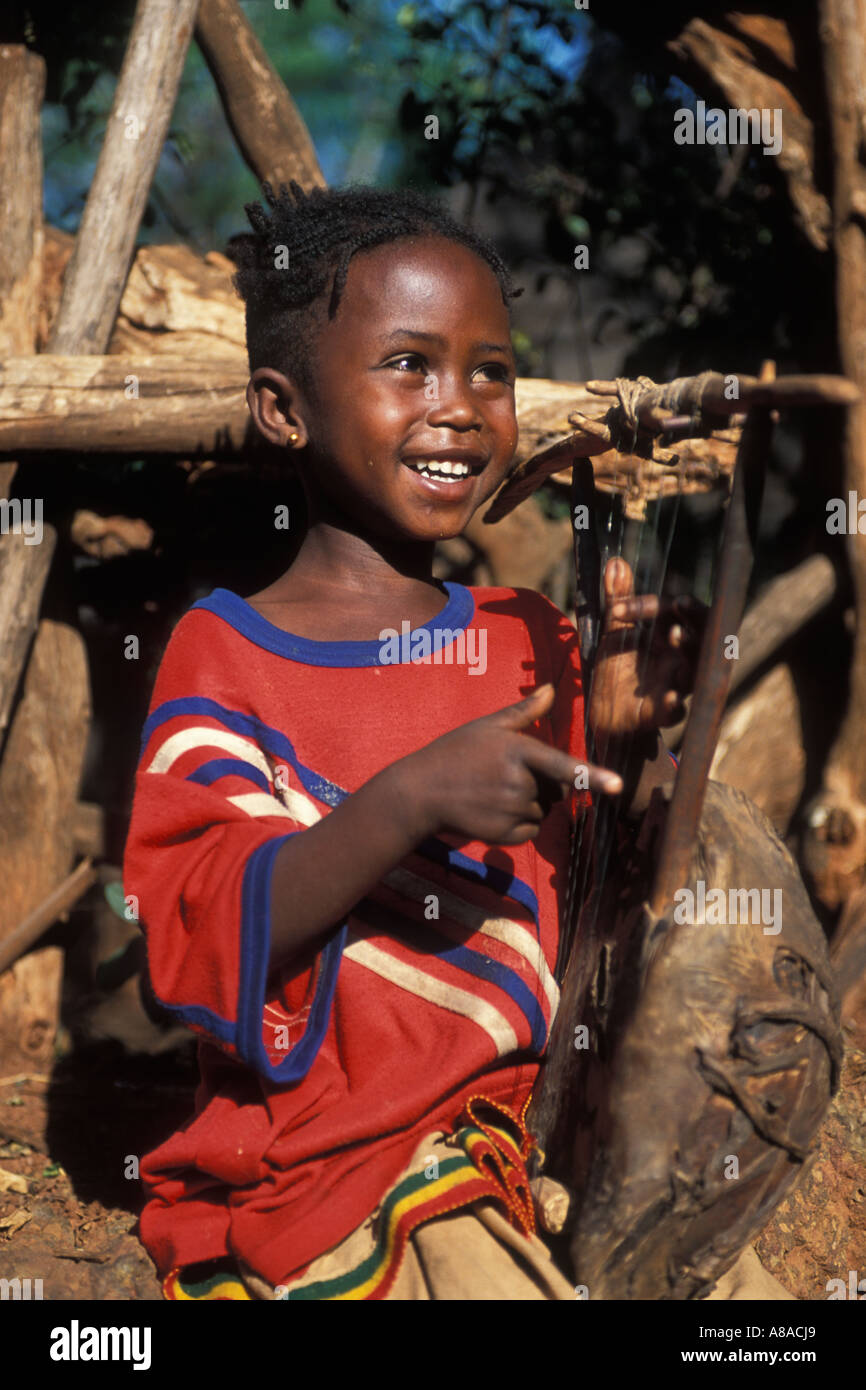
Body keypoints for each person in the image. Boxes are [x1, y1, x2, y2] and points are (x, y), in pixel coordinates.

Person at [123, 182, 708, 1301]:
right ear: (282, 409)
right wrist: (403, 802)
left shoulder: (526, 636)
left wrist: (631, 734)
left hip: (535, 1133)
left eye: (489, 369)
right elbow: (189, 931)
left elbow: (588, 896)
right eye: (410, 365)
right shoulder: (225, 653)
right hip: (333, 1168)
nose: (460, 406)